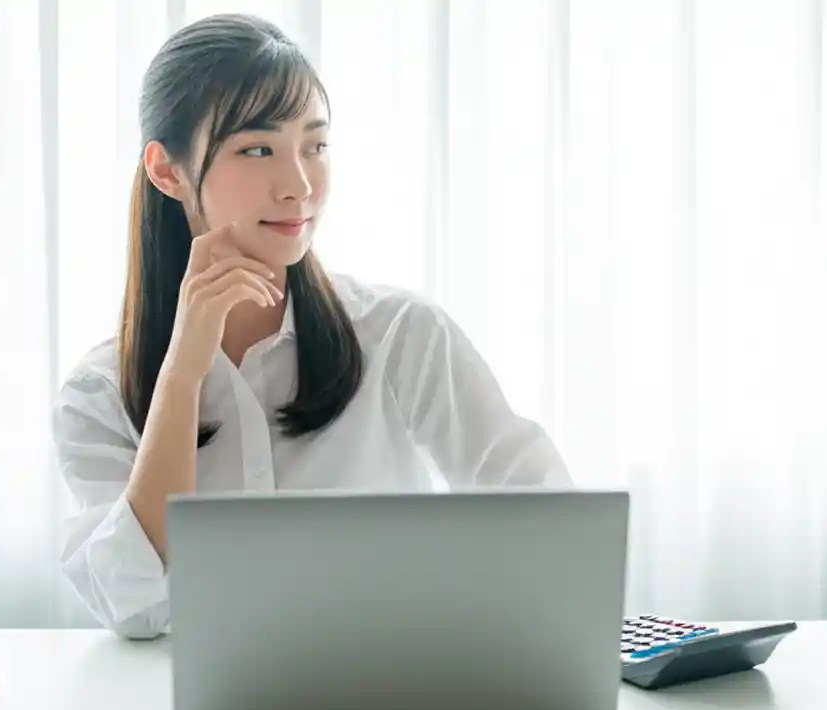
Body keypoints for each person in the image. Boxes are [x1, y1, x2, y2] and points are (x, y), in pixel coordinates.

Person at [52, 13, 572, 640]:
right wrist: (182, 374)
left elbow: (549, 521)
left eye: (315, 146)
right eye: (257, 149)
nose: (299, 186)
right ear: (168, 171)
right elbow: (134, 609)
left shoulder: (400, 333)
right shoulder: (98, 390)